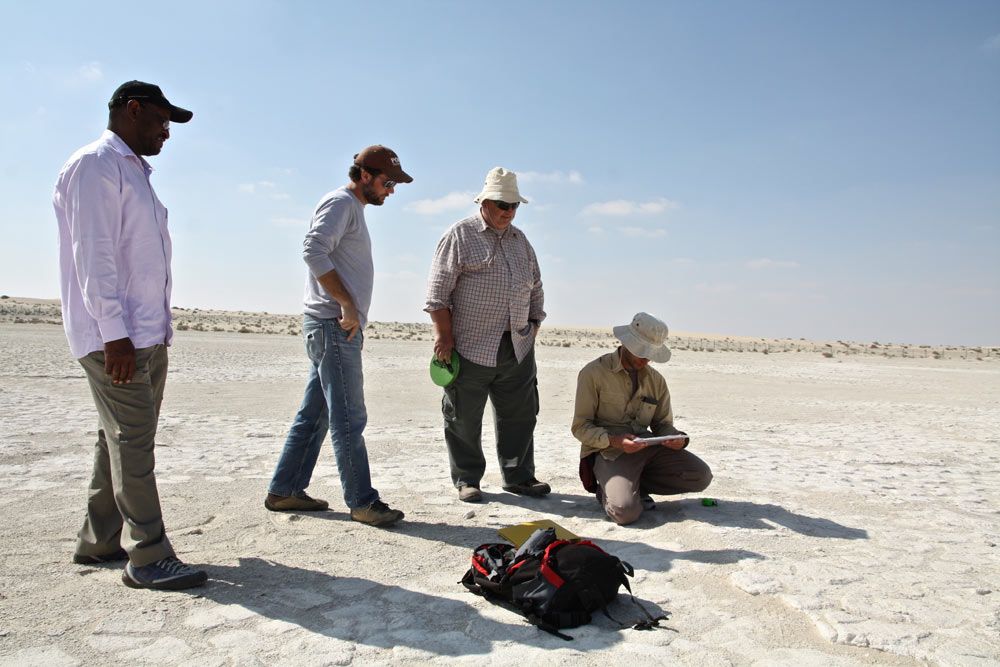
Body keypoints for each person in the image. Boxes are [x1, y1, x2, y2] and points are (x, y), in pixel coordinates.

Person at [53, 80, 207, 590]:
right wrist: (114, 336)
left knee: (117, 438)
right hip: (114, 338)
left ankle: (98, 540)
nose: (167, 132)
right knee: (133, 442)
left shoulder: (134, 172)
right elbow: (91, 257)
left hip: (144, 334)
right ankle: (148, 556)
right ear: (132, 110)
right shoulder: (96, 165)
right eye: (162, 120)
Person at [265, 145, 412, 527]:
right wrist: (347, 303)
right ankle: (363, 501)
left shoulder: (352, 209)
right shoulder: (341, 203)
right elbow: (313, 250)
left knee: (315, 413)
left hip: (332, 325)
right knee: (349, 417)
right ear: (365, 175)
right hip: (333, 324)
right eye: (387, 181)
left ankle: (285, 490)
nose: (391, 190)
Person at [425, 167, 549, 503]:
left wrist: (533, 325)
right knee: (463, 418)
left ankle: (519, 477)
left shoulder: (521, 242)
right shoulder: (460, 235)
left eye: (513, 206)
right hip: (469, 346)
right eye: (501, 204)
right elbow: (438, 293)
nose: (508, 211)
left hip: (518, 347)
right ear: (484, 202)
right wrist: (444, 337)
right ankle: (467, 479)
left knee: (520, 417)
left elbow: (536, 287)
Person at [572, 312, 712, 525]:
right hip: (608, 453)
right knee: (625, 513)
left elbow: (662, 424)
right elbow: (580, 427)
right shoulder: (593, 373)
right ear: (626, 342)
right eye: (641, 351)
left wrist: (676, 439)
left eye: (650, 354)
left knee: (700, 475)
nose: (645, 358)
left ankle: (633, 486)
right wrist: (615, 440)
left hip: (646, 450)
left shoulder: (657, 381)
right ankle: (608, 490)